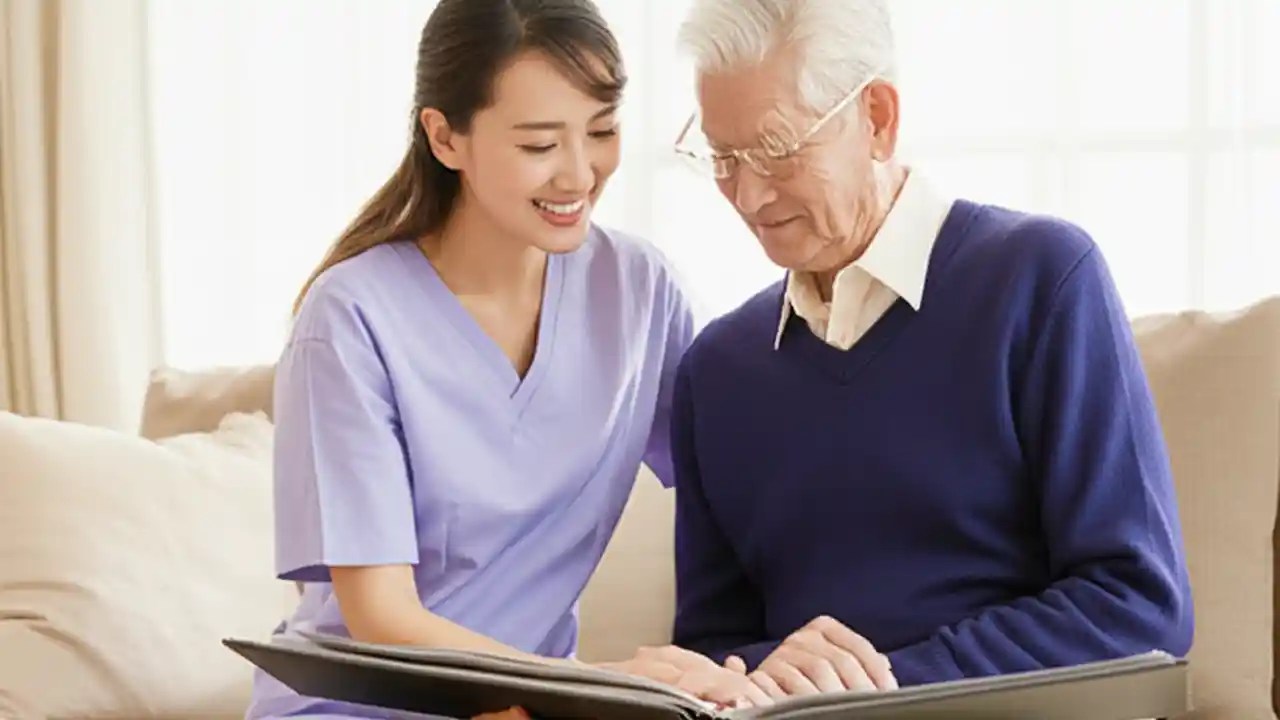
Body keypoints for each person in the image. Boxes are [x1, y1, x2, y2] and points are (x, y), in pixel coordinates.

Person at [243, 1, 769, 718]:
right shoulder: (350, 319)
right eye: (539, 144)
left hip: (531, 706)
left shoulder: (638, 290)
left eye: (602, 131)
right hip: (367, 707)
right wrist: (609, 685)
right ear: (445, 137)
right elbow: (380, 617)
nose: (579, 174)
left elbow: (749, 488)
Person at [666, 0, 1195, 700]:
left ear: (877, 119)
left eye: (775, 148)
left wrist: (884, 689)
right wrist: (776, 682)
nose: (749, 195)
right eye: (724, 158)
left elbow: (1139, 605)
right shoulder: (716, 371)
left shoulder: (1040, 280)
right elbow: (710, 655)